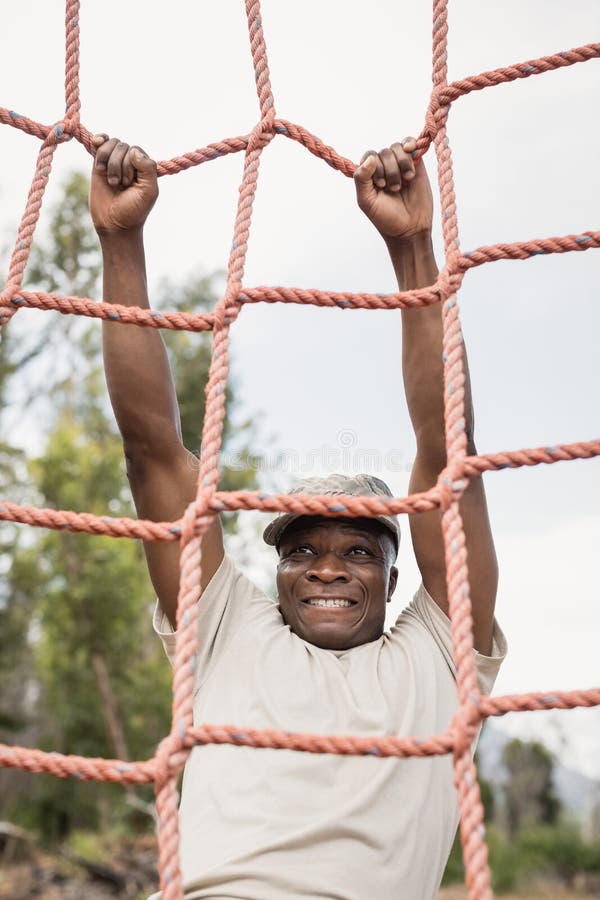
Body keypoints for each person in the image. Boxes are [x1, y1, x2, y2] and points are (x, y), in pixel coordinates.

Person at [91, 132, 506, 900]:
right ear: (276, 568)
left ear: (394, 570)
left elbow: (452, 455)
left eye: (355, 550)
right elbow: (154, 452)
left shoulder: (436, 660)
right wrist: (122, 240)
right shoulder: (227, 631)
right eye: (302, 549)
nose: (325, 567)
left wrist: (414, 249)